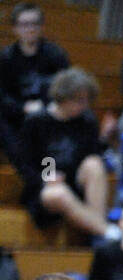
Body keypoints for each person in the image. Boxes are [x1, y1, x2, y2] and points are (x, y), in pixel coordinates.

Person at [17, 67, 112, 238]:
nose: (85, 106)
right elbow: (24, 163)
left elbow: (92, 155)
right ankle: (106, 233)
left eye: (87, 101)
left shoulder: (87, 120)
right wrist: (45, 179)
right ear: (64, 97)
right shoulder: (37, 121)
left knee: (94, 164)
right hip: (45, 188)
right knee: (59, 192)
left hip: (76, 183)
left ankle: (99, 230)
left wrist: (104, 140)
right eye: (79, 101)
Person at [0, 3, 66, 166]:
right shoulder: (6, 58)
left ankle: (47, 177)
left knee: (51, 126)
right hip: (15, 115)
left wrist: (45, 105)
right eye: (24, 24)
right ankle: (34, 179)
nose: (30, 29)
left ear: (42, 26)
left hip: (49, 113)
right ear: (15, 28)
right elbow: (2, 96)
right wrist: (23, 107)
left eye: (34, 23)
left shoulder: (55, 54)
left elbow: (66, 88)